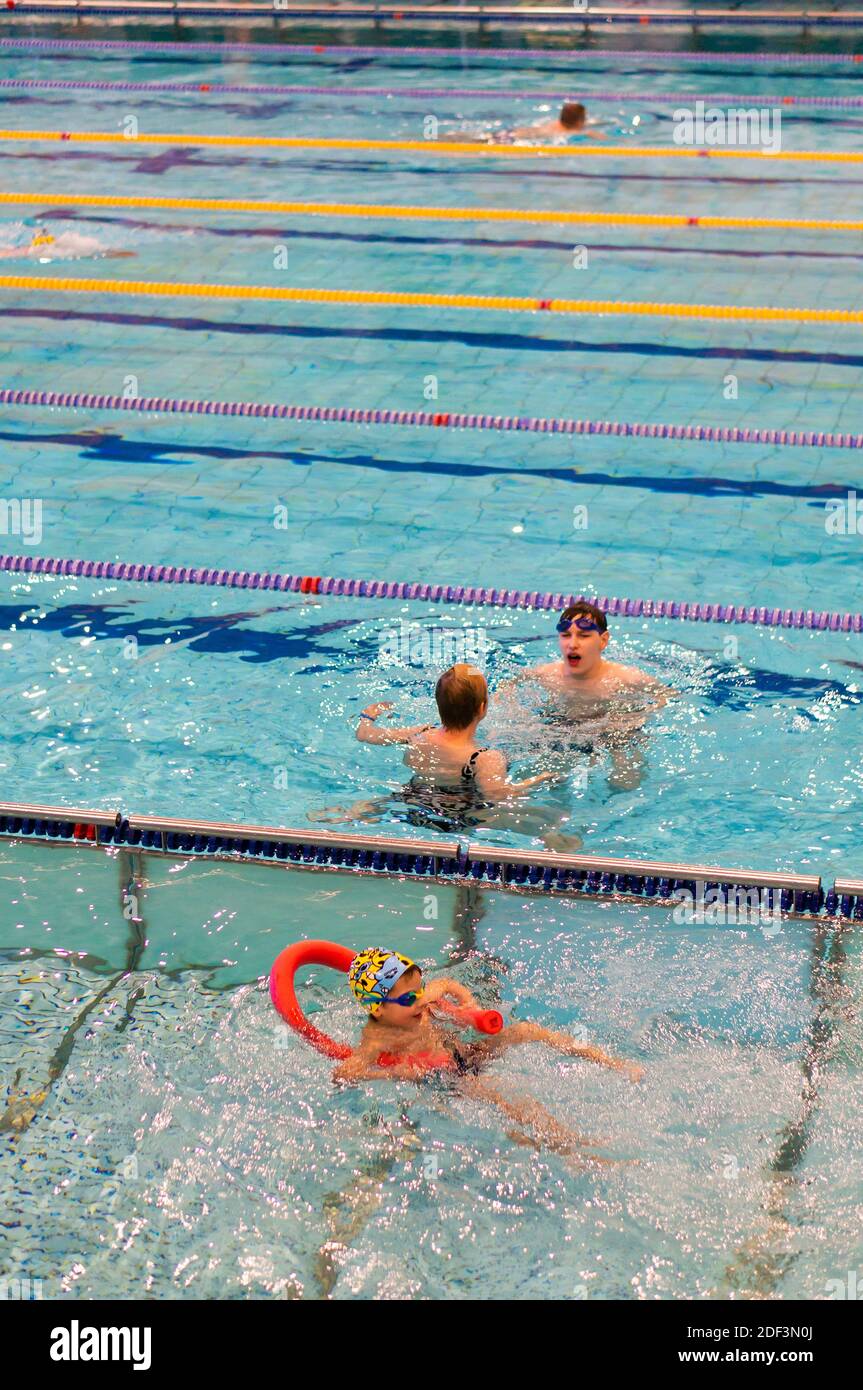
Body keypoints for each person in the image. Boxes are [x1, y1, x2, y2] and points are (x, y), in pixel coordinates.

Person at [332, 948, 643, 1162]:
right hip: (447, 1081)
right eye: (409, 997)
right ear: (378, 1007)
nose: (420, 1001)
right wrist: (395, 1073)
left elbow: (447, 984)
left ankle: (613, 1063)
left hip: (465, 1054)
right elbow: (345, 1073)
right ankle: (570, 1149)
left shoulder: (421, 1002)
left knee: (527, 1029)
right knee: (508, 1098)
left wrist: (470, 1008)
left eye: (420, 990)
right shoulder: (378, 1037)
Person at [499, 602, 673, 790]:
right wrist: (517, 713)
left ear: (603, 640)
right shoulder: (546, 675)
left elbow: (668, 696)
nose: (573, 644)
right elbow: (505, 688)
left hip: (614, 733)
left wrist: (638, 717)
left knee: (626, 782)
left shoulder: (626, 678)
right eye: (566, 635)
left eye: (584, 636)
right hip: (561, 730)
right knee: (529, 778)